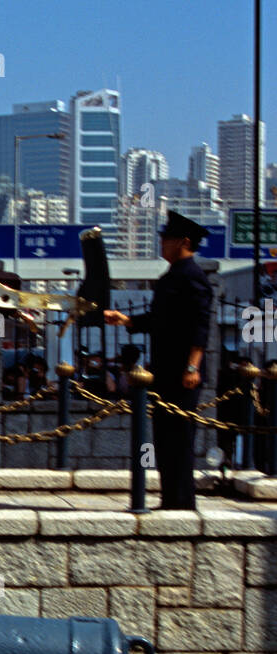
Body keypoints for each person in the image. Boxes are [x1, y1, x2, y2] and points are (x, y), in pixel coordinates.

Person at [105, 210, 213, 509]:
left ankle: (182, 502)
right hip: (164, 369)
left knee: (180, 439)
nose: (162, 244)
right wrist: (125, 319)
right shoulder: (172, 277)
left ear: (184, 242)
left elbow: (200, 326)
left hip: (182, 371)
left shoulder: (194, 277)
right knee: (165, 439)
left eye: (167, 239)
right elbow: (159, 320)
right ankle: (170, 500)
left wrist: (193, 365)